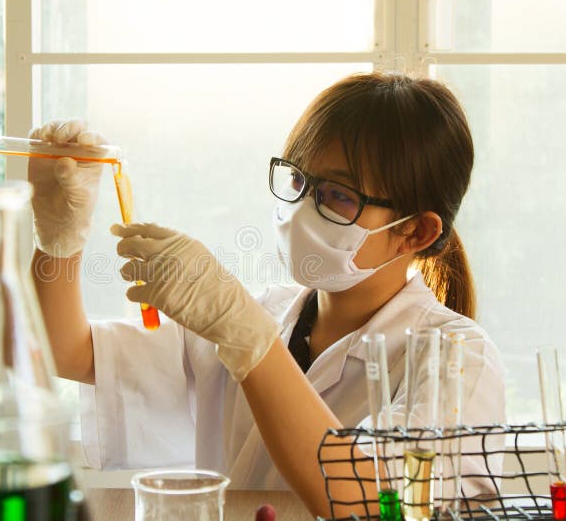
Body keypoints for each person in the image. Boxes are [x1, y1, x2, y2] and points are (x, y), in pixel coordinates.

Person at [29, 72, 505, 518]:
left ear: (416, 232)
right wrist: (58, 241)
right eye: (298, 181)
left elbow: (364, 498)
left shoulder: (460, 360)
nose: (301, 210)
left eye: (338, 194)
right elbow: (66, 350)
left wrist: (248, 338)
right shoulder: (260, 315)